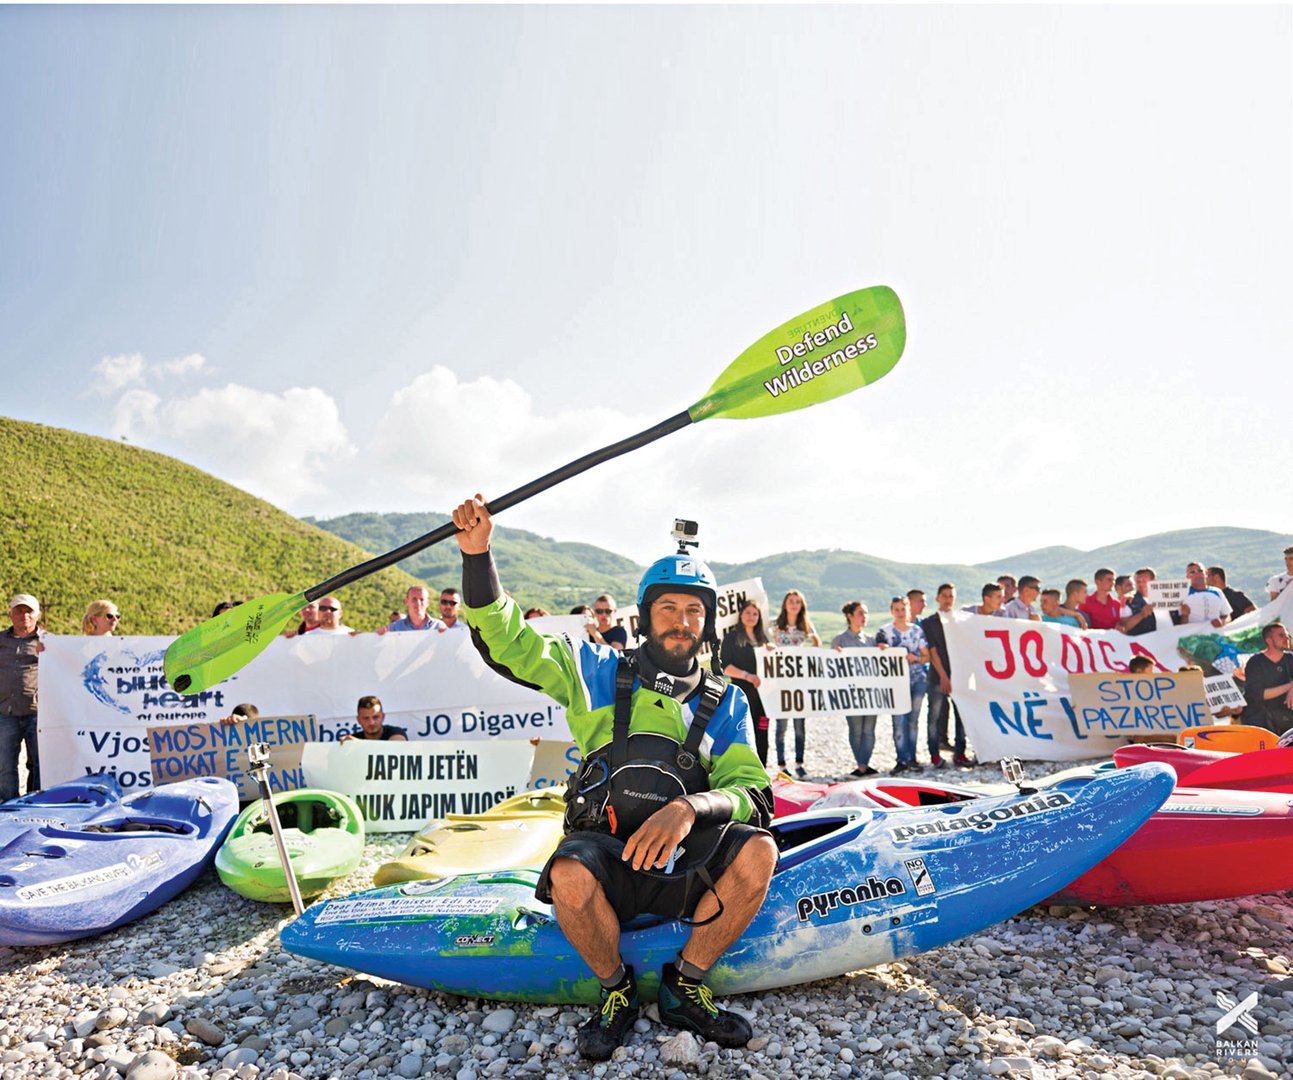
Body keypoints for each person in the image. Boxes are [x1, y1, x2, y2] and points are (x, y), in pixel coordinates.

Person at [451, 495, 775, 1059]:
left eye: (694, 610)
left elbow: (753, 791)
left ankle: (685, 987)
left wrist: (690, 809)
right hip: (607, 850)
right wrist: (478, 557)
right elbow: (510, 644)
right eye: (668, 608)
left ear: (708, 621)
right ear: (645, 616)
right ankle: (615, 991)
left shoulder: (729, 701)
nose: (682, 621)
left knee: (759, 852)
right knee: (569, 873)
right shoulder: (594, 669)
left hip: (686, 857)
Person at [768, 589, 821, 778]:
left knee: (800, 725)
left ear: (802, 605)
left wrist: (814, 642)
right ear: (785, 603)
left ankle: (799, 763)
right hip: (780, 682)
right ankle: (781, 765)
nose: (794, 605)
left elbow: (817, 645)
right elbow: (763, 642)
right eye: (791, 601)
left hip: (800, 683)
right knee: (781, 726)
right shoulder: (774, 625)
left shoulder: (806, 625)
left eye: (798, 602)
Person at [875, 595, 930, 774]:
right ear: (891, 611)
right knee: (898, 720)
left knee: (913, 721)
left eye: (903, 609)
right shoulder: (884, 632)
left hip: (917, 679)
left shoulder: (917, 631)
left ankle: (912, 758)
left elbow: (927, 655)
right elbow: (876, 654)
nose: (900, 612)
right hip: (895, 683)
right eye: (896, 609)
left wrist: (916, 658)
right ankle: (901, 758)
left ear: (908, 610)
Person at [922, 584, 972, 768]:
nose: (948, 599)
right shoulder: (929, 622)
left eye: (951, 596)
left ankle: (960, 753)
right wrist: (944, 676)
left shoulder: (960, 621)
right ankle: (934, 754)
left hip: (959, 676)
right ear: (937, 598)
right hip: (937, 677)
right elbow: (933, 651)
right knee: (934, 716)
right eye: (944, 596)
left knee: (962, 716)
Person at [0, 595, 43, 801]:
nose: (24, 615)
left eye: (29, 611)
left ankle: (33, 802)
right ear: (10, 614)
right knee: (5, 764)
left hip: (38, 713)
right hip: (5, 712)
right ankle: (8, 804)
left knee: (38, 763)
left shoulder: (48, 642)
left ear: (37, 615)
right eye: (19, 610)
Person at [720, 600, 772, 767]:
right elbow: (725, 666)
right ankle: (743, 767)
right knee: (743, 730)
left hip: (764, 697)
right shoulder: (732, 638)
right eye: (748, 612)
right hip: (743, 694)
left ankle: (761, 767)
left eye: (755, 613)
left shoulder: (763, 639)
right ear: (740, 615)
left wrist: (772, 651)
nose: (751, 617)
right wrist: (747, 676)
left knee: (763, 730)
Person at [831, 601, 879, 777]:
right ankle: (861, 765)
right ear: (849, 616)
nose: (864, 617)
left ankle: (863, 765)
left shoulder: (872, 640)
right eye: (860, 613)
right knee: (856, 729)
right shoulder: (840, 640)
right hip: (851, 693)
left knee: (869, 730)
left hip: (871, 692)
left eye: (866, 613)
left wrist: (884, 651)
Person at [1240, 624, 1293, 737]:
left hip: (1286, 717)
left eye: (1287, 635)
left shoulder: (1290, 658)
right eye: (1281, 635)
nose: (1287, 638)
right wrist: (1290, 686)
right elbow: (1260, 694)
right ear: (1269, 640)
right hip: (1260, 718)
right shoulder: (1256, 662)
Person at [1177, 564, 1231, 628]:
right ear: (1187, 576)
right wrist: (1185, 616)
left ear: (1206, 573)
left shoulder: (1218, 592)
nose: (1197, 574)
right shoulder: (1183, 595)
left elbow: (1227, 616)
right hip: (1194, 636)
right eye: (1192, 572)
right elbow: (1180, 627)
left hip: (1216, 635)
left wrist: (1222, 622)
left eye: (1200, 571)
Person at [378, 586, 444, 634]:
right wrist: (379, 635)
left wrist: (446, 635)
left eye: (422, 599)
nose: (418, 603)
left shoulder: (439, 626)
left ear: (427, 603)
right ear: (406, 601)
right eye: (414, 599)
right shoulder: (394, 627)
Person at [340, 695, 407, 742]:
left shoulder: (395, 732)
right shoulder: (353, 740)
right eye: (366, 718)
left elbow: (396, 747)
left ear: (383, 717)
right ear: (358, 720)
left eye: (375, 717)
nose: (371, 722)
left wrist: (357, 745)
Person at [1118, 568, 1158, 636]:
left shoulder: (1167, 598)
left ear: (1153, 581)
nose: (1141, 584)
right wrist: (1141, 614)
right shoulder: (1129, 601)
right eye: (1138, 581)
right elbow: (1123, 626)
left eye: (1144, 581)